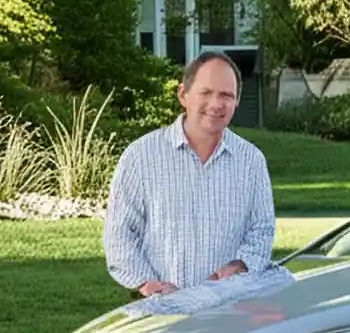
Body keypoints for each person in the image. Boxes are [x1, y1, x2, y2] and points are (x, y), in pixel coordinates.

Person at [102, 50, 275, 298]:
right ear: (183, 94)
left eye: (226, 95)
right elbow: (119, 233)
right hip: (159, 311)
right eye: (206, 93)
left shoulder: (251, 161)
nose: (216, 104)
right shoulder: (141, 156)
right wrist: (146, 283)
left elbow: (262, 230)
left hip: (230, 309)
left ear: (237, 100)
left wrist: (241, 266)